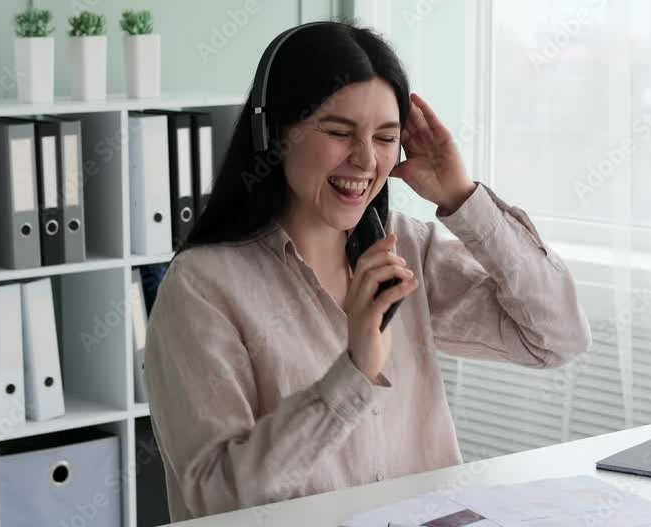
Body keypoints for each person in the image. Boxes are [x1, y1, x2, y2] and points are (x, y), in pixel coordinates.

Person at [144, 21, 592, 522]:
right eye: (338, 132)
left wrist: (462, 199)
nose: (365, 159)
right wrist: (353, 371)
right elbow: (219, 498)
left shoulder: (405, 248)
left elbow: (558, 338)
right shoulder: (203, 287)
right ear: (273, 132)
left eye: (386, 137)